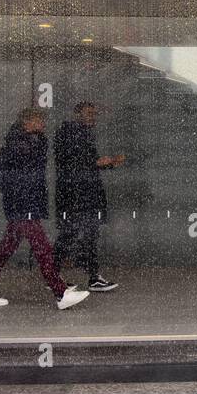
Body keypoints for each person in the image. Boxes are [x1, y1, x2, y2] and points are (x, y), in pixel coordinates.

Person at [0, 108, 90, 310]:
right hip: (22, 205)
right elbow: (2, 177)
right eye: (40, 120)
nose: (43, 124)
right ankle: (61, 293)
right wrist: (20, 195)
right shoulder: (18, 144)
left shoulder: (31, 141)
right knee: (42, 249)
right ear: (28, 122)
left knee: (6, 249)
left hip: (24, 204)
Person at [54, 102, 125, 293]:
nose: (93, 117)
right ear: (78, 114)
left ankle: (90, 277)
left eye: (94, 113)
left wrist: (105, 164)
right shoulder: (71, 133)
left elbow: (80, 162)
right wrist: (98, 162)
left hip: (82, 193)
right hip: (76, 194)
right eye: (89, 113)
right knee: (73, 234)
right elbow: (71, 162)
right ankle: (56, 275)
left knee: (86, 234)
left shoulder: (80, 133)